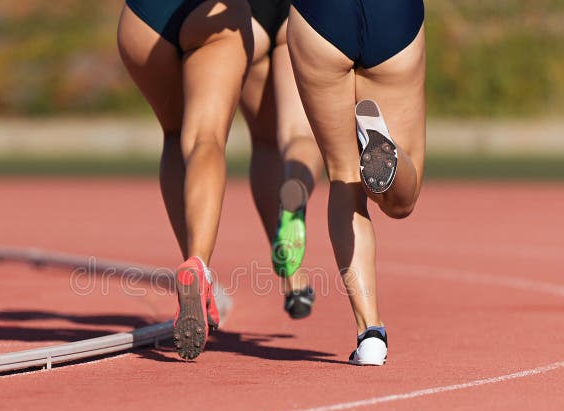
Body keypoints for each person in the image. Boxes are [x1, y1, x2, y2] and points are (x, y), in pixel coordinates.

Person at [287, 0, 427, 365]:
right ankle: (387, 151)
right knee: (401, 204)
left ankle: (371, 336)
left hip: (321, 18)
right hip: (392, 14)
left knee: (344, 175)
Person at [117, 0, 254, 360]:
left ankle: (194, 271)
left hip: (144, 20)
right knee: (205, 138)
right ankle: (197, 264)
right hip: (212, 14)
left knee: (175, 134)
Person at [239, 0, 324, 320]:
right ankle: (296, 194)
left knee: (264, 143)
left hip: (248, 15)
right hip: (299, 12)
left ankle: (294, 281)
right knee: (299, 135)